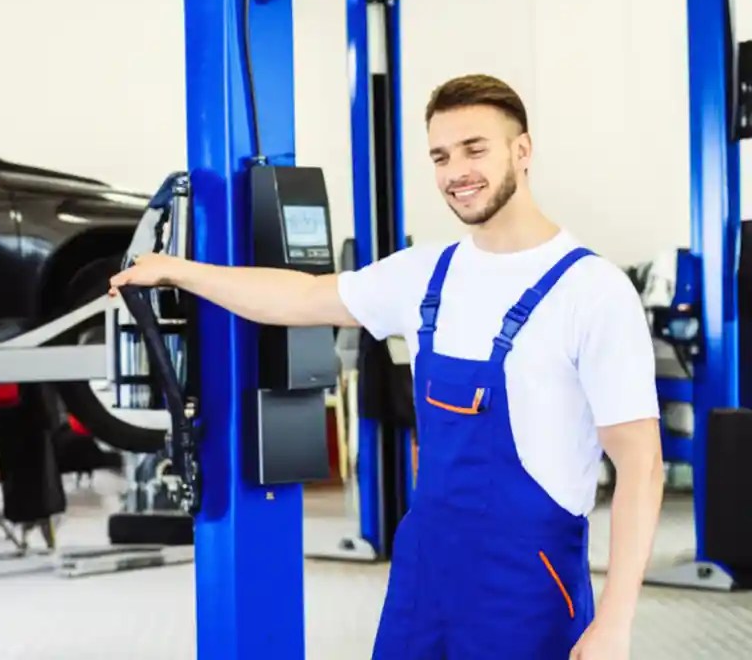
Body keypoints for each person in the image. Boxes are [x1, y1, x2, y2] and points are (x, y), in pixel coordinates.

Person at [110, 74, 663, 660]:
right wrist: (178, 271)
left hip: (528, 580)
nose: (457, 172)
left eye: (475, 149)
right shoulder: (426, 274)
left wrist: (615, 622)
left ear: (521, 152)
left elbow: (641, 464)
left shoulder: (592, 290)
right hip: (425, 569)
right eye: (441, 156)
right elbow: (300, 298)